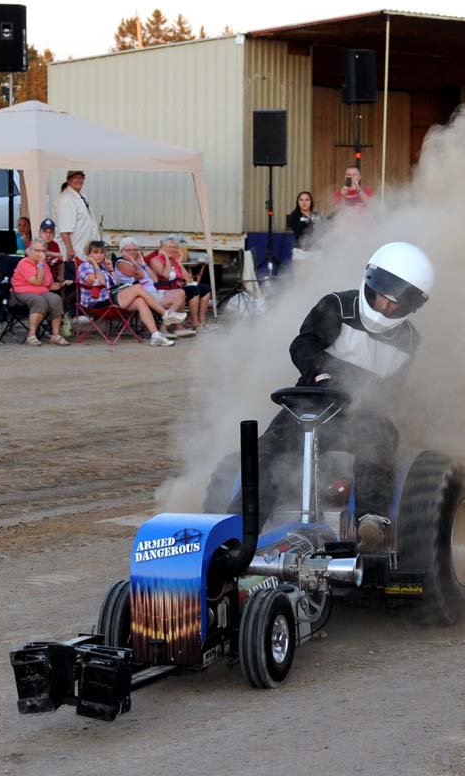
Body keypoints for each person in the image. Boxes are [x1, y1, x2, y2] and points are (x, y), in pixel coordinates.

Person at [255, 241, 434, 551]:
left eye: (396, 302)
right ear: (370, 281)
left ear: (412, 305)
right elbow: (303, 344)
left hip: (363, 415)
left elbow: (392, 390)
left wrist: (367, 392)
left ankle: (371, 521)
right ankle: (240, 524)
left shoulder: (409, 340)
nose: (384, 305)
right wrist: (321, 369)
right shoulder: (337, 306)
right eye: (381, 294)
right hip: (310, 405)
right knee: (268, 448)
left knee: (381, 438)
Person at [77, 241, 183, 347]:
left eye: (102, 253)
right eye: (96, 252)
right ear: (89, 254)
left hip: (109, 297)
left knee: (140, 301)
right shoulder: (84, 266)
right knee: (138, 288)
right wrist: (95, 264)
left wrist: (111, 269)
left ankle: (156, 336)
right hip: (96, 302)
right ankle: (165, 314)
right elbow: (100, 282)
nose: (99, 255)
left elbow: (116, 284)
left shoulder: (103, 267)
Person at [114, 237, 195, 338]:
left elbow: (155, 279)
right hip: (143, 296)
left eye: (135, 249)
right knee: (176, 299)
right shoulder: (121, 263)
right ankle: (167, 327)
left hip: (153, 291)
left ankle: (171, 326)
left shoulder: (139, 262)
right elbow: (139, 275)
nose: (132, 252)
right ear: (122, 251)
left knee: (181, 292)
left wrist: (143, 264)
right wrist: (134, 262)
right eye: (128, 250)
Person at [11, 240, 74, 346]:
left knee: (55, 299)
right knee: (38, 300)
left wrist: (62, 284)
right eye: (37, 250)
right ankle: (31, 335)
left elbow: (49, 285)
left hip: (41, 291)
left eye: (43, 251)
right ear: (30, 251)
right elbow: (37, 281)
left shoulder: (44, 264)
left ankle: (55, 335)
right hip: (23, 292)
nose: (40, 253)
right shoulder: (25, 263)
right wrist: (40, 264)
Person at [149, 235, 212, 330]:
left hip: (178, 287)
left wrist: (179, 264)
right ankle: (195, 322)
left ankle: (201, 320)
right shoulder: (155, 260)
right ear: (162, 248)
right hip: (165, 290)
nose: (171, 250)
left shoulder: (175, 260)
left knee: (206, 288)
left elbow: (189, 279)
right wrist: (166, 258)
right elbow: (166, 276)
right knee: (193, 290)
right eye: (168, 247)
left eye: (174, 247)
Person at [53, 170, 99, 267]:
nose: (78, 180)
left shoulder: (81, 197)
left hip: (83, 252)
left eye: (81, 177)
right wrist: (70, 250)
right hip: (74, 255)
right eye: (75, 177)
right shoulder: (66, 199)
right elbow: (64, 229)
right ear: (68, 180)